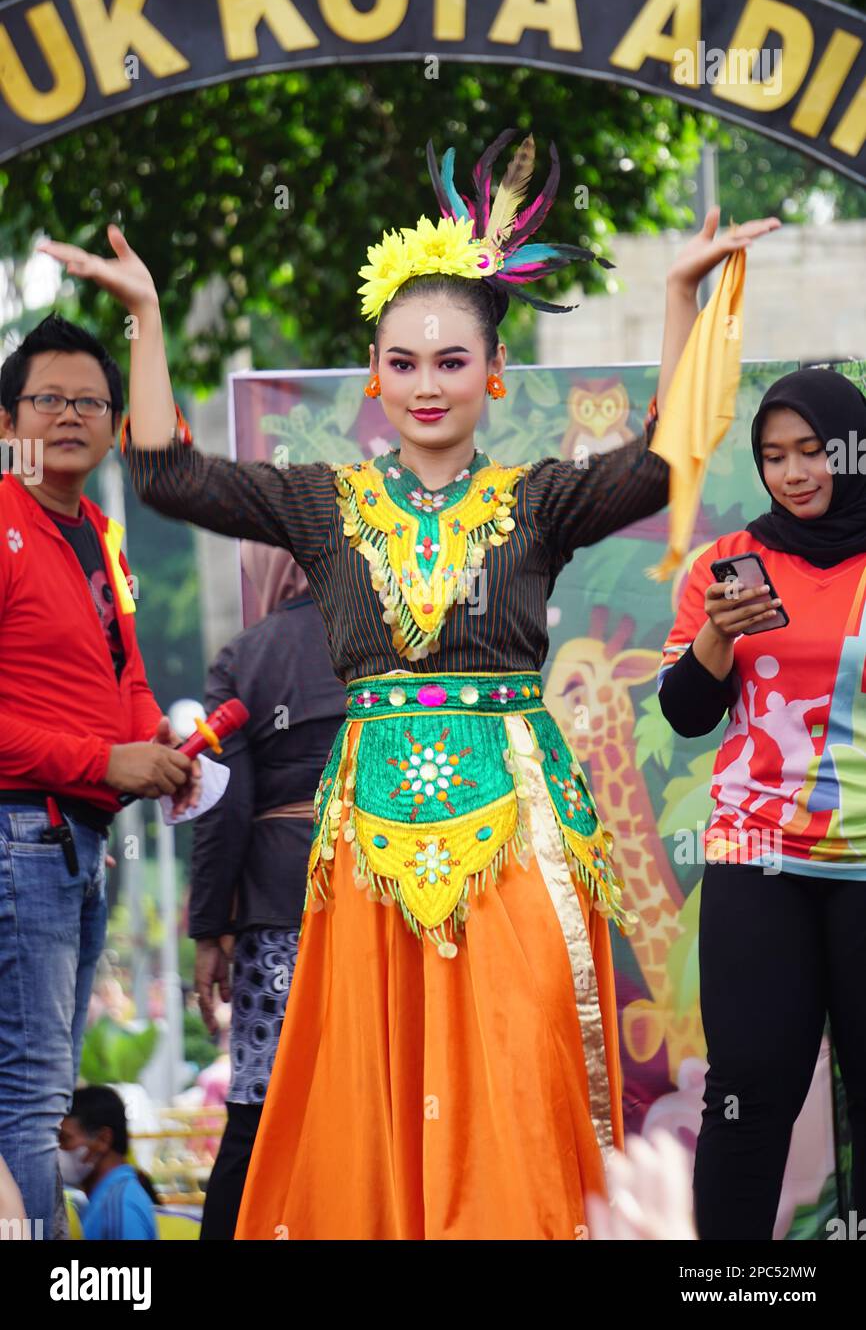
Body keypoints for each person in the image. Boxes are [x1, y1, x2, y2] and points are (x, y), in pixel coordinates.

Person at [40, 129, 775, 1239]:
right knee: (371, 1086)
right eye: (403, 361)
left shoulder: (538, 498)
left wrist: (679, 296)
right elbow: (168, 471)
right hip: (368, 834)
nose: (426, 383)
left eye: (450, 361)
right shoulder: (321, 503)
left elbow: (664, 461)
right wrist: (144, 310)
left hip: (515, 830)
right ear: (373, 373)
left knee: (515, 1062)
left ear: (490, 372)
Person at [0, 314, 199, 1240]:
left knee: (44, 1086)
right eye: (49, 399)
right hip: (18, 832)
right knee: (34, 1098)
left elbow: (125, 680)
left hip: (76, 841)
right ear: (8, 421)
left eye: (91, 401)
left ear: (117, 422)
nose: (71, 415)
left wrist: (161, 740)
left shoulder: (103, 535)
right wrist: (104, 759)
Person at [658, 367, 866, 1240]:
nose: (795, 471)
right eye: (774, 456)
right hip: (756, 861)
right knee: (747, 1097)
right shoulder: (725, 564)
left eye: (813, 451)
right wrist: (715, 633)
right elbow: (685, 713)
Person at [191, 542, 345, 1240]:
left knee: (260, 1107)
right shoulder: (396, 650)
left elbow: (223, 808)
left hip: (279, 907)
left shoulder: (247, 658)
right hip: (389, 901)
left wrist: (208, 931)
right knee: (376, 1101)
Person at [59, 1086, 157, 1240]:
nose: (58, 1150)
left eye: (65, 1139)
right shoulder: (109, 1199)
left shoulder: (117, 1207)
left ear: (103, 1139)